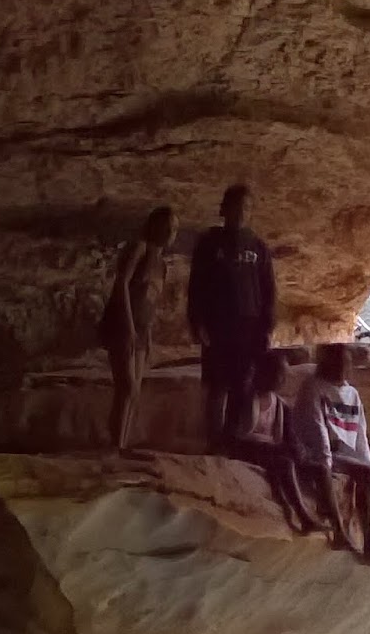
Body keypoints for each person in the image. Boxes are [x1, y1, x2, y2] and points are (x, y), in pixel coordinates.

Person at [292, 342, 370, 573]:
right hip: (320, 453)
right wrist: (326, 461)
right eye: (339, 363)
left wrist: (364, 461)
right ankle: (369, 543)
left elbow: (359, 433)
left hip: (345, 455)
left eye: (347, 363)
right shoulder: (313, 388)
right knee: (364, 473)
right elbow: (314, 428)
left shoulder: (351, 393)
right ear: (327, 364)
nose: (344, 368)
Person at [187, 183, 276, 449]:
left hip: (249, 326)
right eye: (236, 206)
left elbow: (268, 289)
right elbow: (196, 285)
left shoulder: (258, 247)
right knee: (217, 385)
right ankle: (214, 442)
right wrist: (197, 321)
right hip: (218, 324)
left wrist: (267, 327)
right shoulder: (209, 243)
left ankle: (235, 440)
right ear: (224, 209)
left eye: (246, 207)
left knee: (243, 386)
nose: (241, 212)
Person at [99, 205, 178, 451]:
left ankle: (123, 442)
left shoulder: (162, 265)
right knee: (127, 387)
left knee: (134, 392)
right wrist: (129, 326)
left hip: (142, 328)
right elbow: (122, 284)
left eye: (174, 228)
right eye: (167, 226)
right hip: (124, 324)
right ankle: (116, 445)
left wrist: (149, 335)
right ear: (154, 226)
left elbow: (151, 302)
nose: (171, 232)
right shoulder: (140, 249)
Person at [231, 350, 324, 535]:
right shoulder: (244, 398)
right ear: (265, 373)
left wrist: (302, 451)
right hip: (246, 448)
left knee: (315, 466)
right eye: (280, 374)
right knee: (285, 462)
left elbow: (289, 438)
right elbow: (235, 434)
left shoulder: (280, 405)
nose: (284, 379)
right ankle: (303, 516)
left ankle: (325, 515)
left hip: (270, 449)